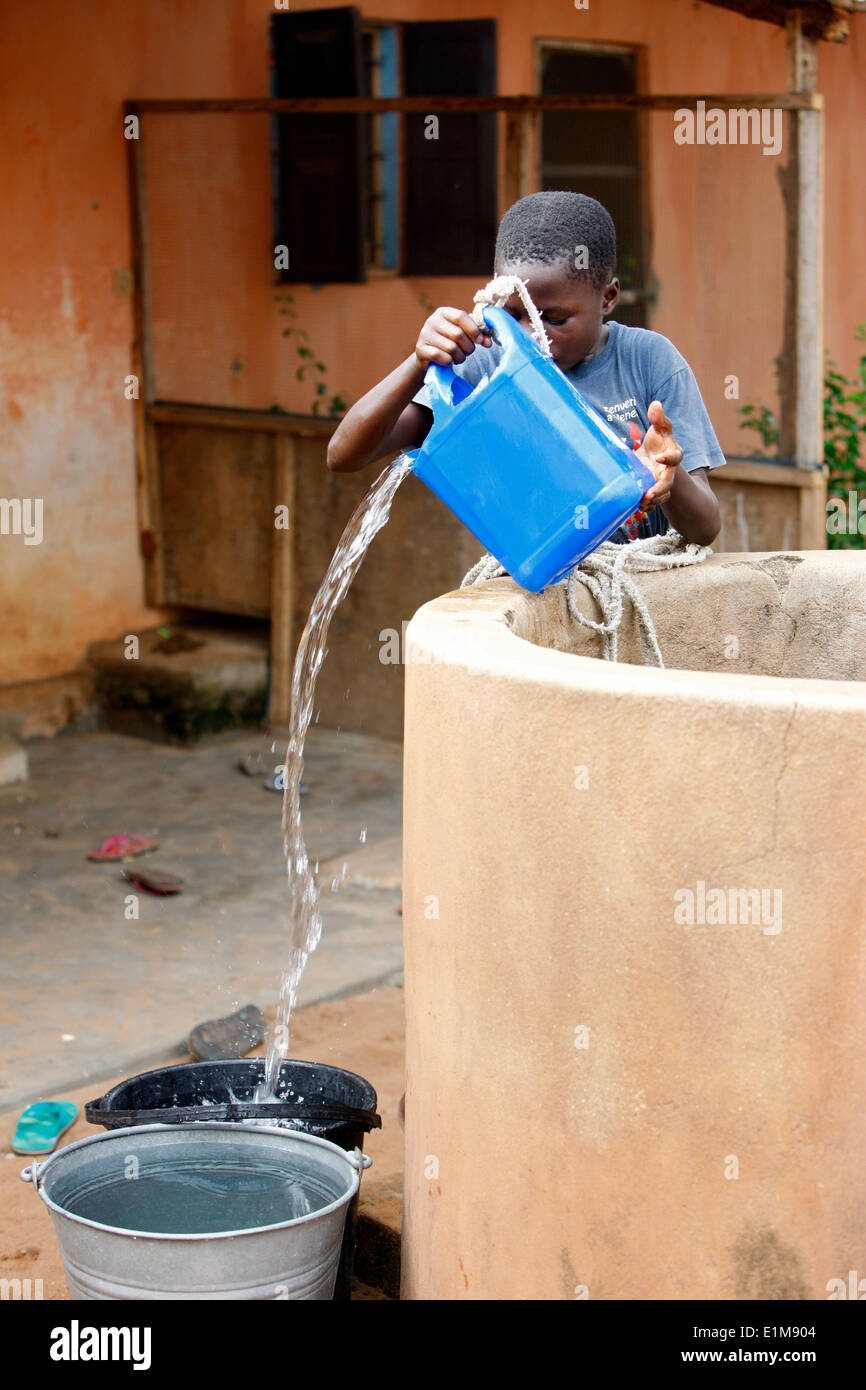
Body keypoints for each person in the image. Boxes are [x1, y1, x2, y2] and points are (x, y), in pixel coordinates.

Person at [328, 190, 724, 547]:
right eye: (513, 314)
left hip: (639, 597)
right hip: (535, 600)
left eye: (552, 318)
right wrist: (418, 362)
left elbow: (705, 529)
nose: (531, 336)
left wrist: (671, 478)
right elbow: (344, 455)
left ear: (608, 298)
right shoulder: (482, 363)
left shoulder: (647, 360)